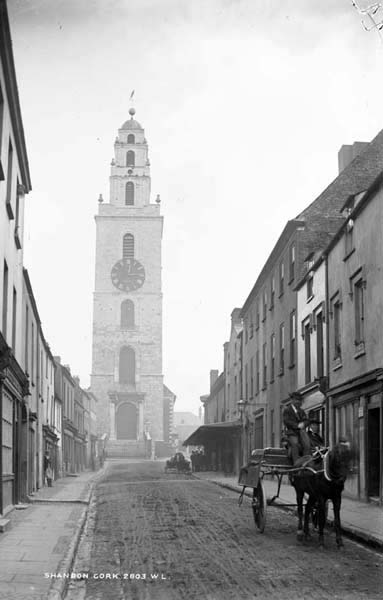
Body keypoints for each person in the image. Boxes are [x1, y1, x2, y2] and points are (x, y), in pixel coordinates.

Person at [282, 392, 311, 464]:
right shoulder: (287, 410)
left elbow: (307, 420)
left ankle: (306, 460)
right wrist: (297, 425)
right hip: (291, 432)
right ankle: (296, 462)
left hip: (301, 432)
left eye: (299, 400)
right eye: (296, 400)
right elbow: (286, 421)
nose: (298, 402)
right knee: (295, 444)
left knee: (307, 444)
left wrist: (304, 424)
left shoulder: (301, 411)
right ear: (292, 400)